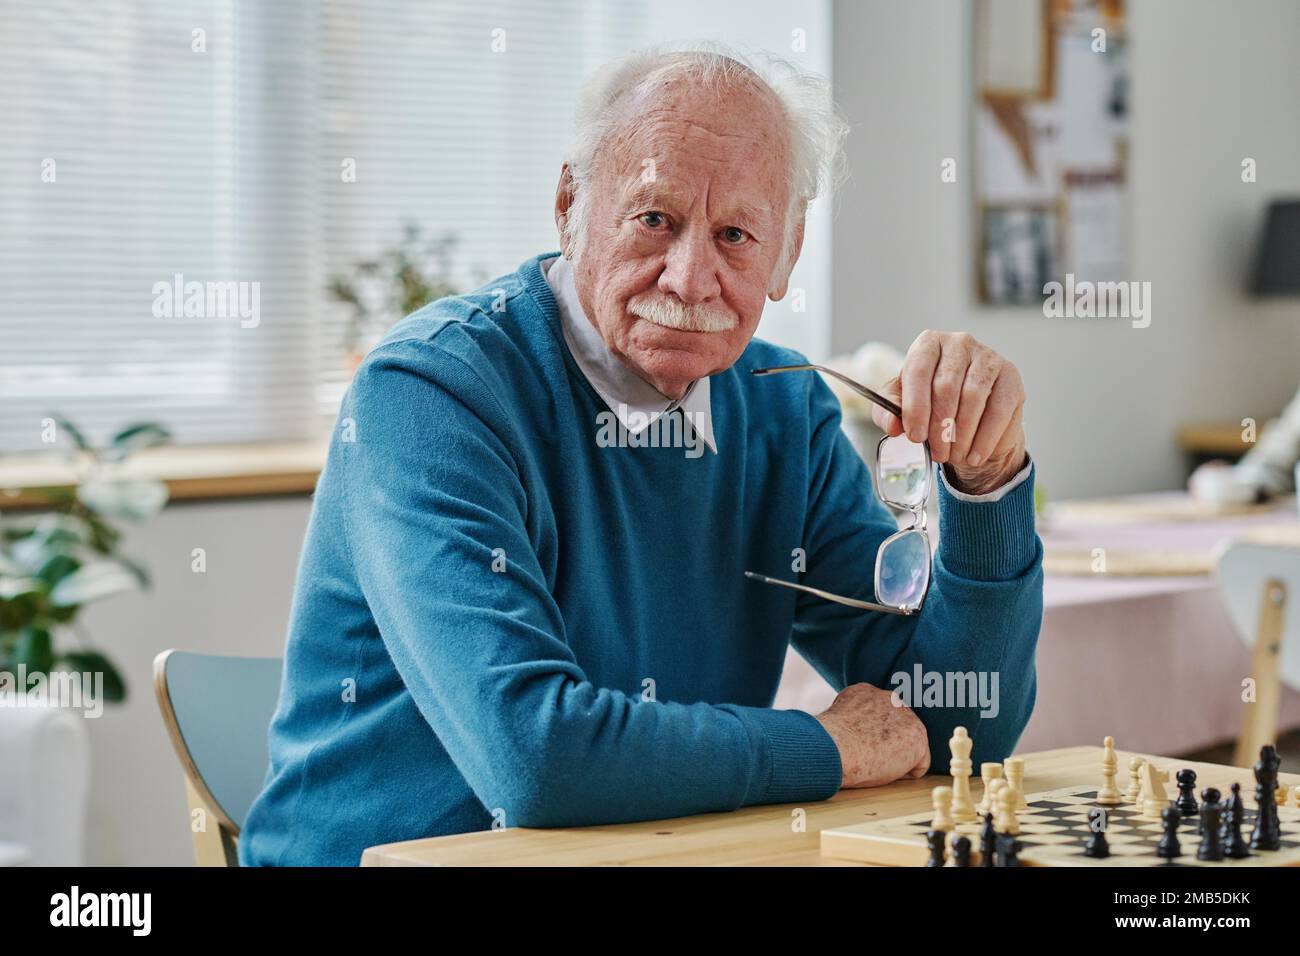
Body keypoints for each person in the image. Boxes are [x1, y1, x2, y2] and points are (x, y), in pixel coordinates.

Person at [240, 45, 1043, 866]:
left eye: (735, 234)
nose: (692, 278)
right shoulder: (431, 394)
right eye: (654, 219)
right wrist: (825, 748)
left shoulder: (782, 407)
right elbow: (537, 757)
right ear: (568, 205)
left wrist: (987, 489)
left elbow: (953, 728)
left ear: (787, 253)